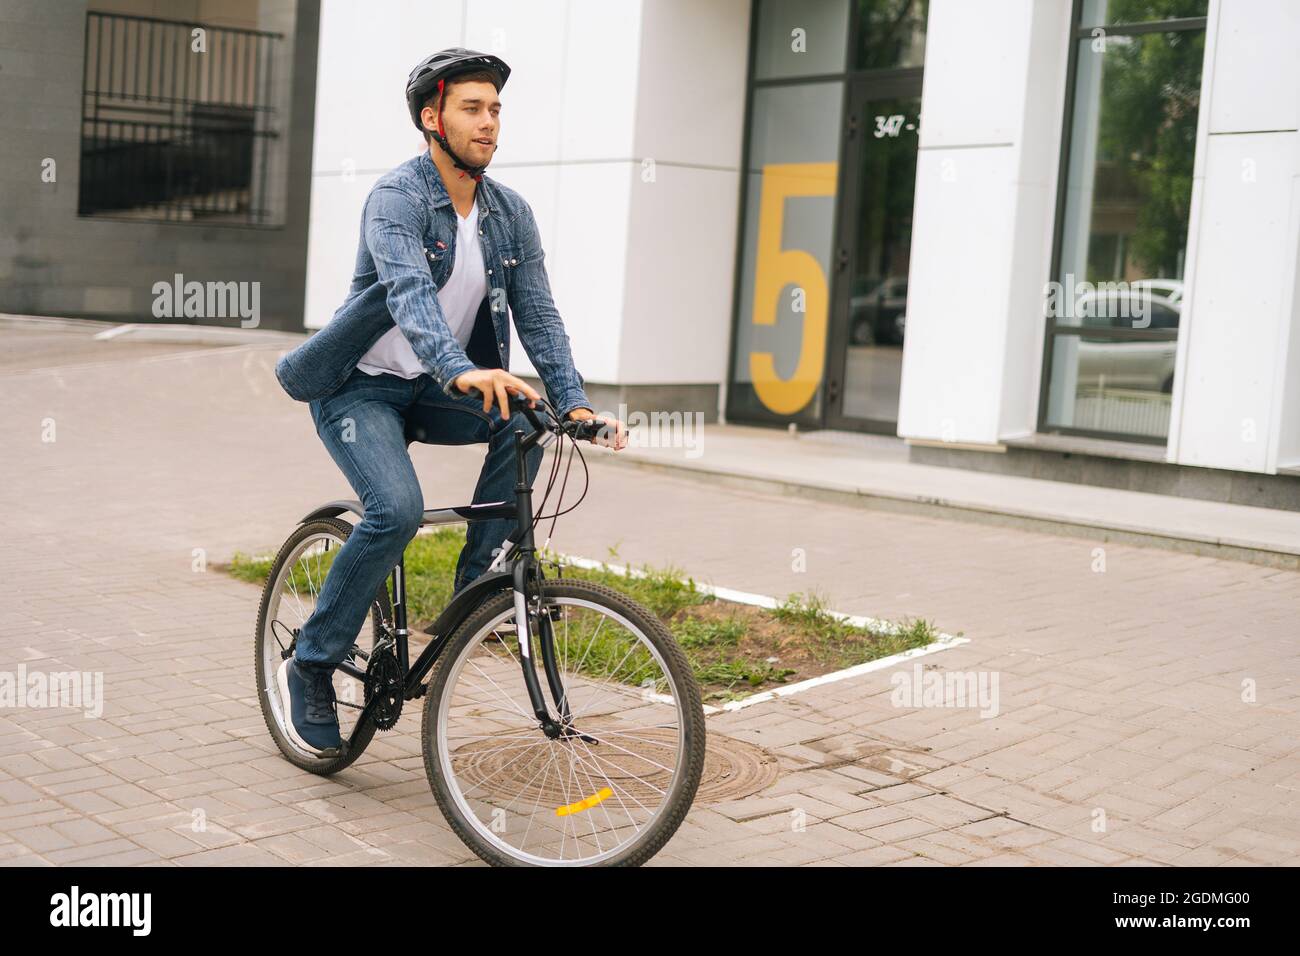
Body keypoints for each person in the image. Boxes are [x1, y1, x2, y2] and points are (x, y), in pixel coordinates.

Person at [271, 48, 627, 756]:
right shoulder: (397, 199)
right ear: (432, 118)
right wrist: (462, 368)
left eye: (496, 108)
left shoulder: (508, 214)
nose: (489, 121)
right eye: (473, 107)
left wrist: (575, 404)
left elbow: (540, 316)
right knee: (396, 510)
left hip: (437, 388)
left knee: (525, 423)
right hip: (361, 388)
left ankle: (475, 595)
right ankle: (310, 663)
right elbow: (409, 296)